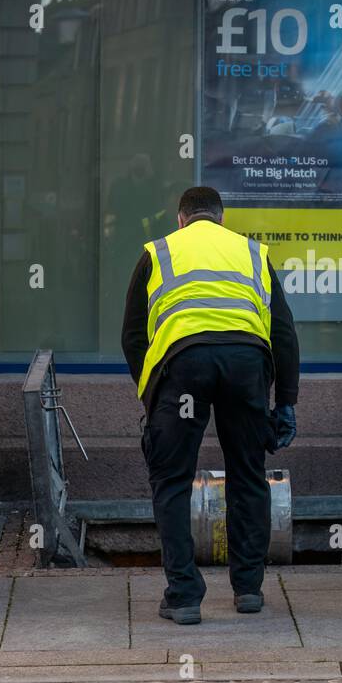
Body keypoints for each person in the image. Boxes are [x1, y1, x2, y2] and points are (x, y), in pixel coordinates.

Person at [122, 186, 299, 625]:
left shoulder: (159, 251)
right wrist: (287, 402)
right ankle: (249, 589)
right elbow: (284, 334)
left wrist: (153, 396)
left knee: (173, 479)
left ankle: (183, 596)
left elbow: (132, 336)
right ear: (221, 220)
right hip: (246, 366)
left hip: (184, 369)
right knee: (248, 473)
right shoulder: (252, 253)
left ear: (180, 220)